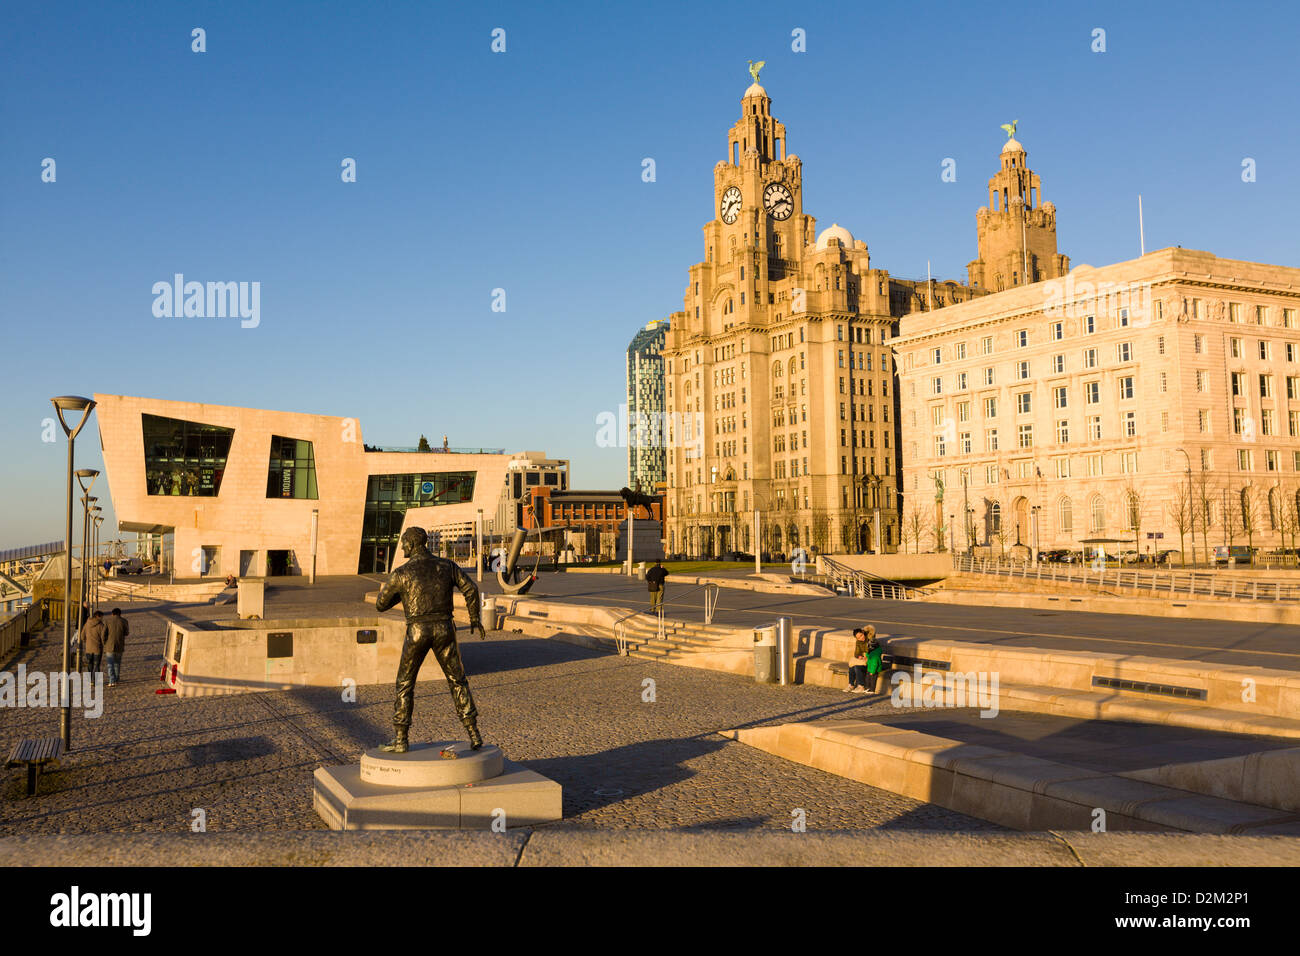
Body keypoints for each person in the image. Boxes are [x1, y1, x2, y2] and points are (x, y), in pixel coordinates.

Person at [374, 526, 486, 753]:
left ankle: (401, 738)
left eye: (404, 542)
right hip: (444, 628)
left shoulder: (401, 573)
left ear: (413, 544)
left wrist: (403, 593)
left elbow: (381, 604)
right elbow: (471, 589)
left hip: (417, 630)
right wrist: (474, 618)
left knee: (405, 683)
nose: (403, 547)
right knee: (458, 680)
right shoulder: (446, 566)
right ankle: (474, 733)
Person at [103, 608, 129, 688]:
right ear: (120, 614)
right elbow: (126, 633)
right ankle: (117, 679)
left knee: (110, 664)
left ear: (112, 613)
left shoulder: (107, 621)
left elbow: (104, 633)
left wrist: (104, 643)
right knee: (117, 664)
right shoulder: (124, 621)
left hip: (109, 645)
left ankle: (112, 680)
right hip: (119, 645)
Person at [80, 610, 107, 676]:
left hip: (88, 648)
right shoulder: (101, 625)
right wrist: (104, 645)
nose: (102, 618)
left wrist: (86, 641)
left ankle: (90, 680)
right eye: (102, 617)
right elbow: (103, 637)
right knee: (96, 665)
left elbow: (82, 635)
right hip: (97, 648)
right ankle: (95, 681)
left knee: (90, 664)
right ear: (98, 616)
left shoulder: (87, 623)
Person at [847, 626, 870, 692]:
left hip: (871, 661)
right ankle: (851, 685)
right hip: (863, 661)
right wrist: (860, 656)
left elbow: (872, 651)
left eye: (861, 635)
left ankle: (861, 686)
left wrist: (866, 655)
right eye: (858, 637)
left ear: (863, 632)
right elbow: (856, 653)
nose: (861, 638)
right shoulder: (858, 642)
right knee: (852, 666)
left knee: (857, 667)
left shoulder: (870, 639)